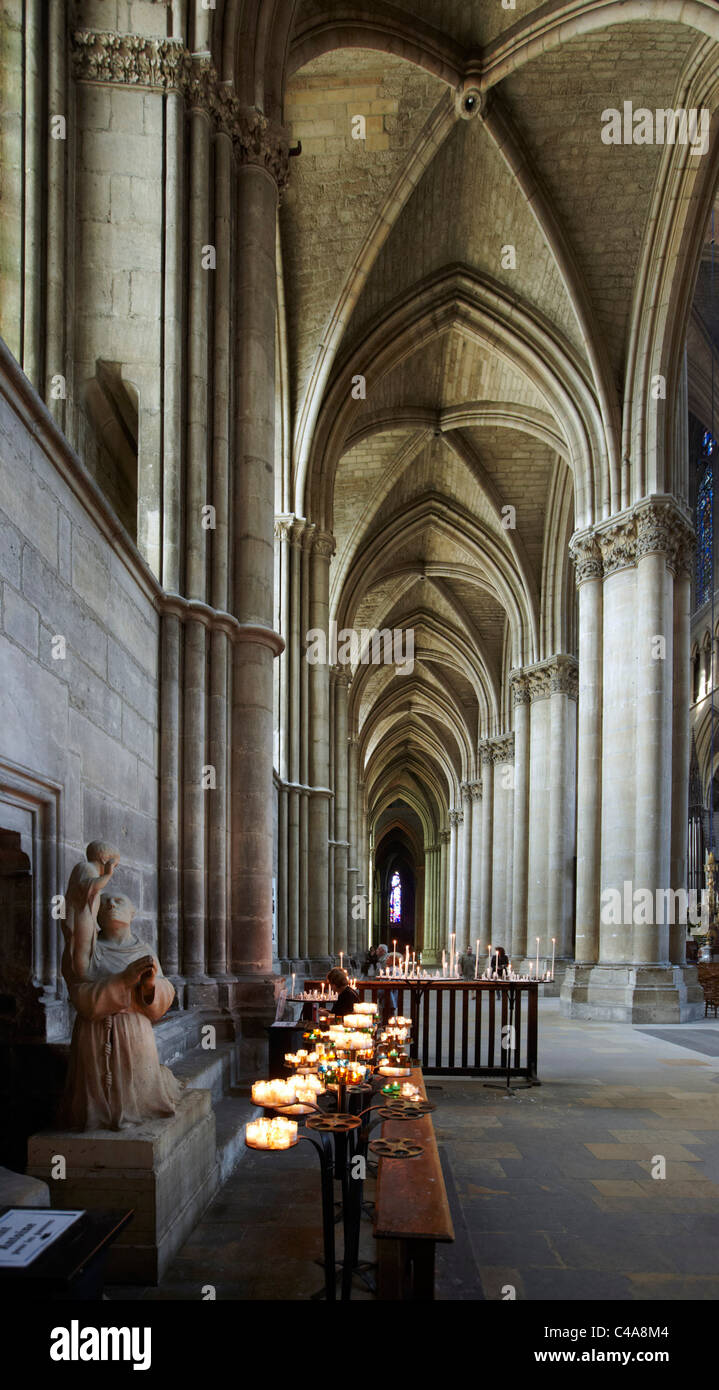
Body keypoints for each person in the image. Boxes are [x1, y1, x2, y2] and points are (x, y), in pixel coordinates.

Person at [61, 888, 180, 1130]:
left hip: (134, 1032)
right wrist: (123, 980)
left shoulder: (144, 950)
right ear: (95, 914)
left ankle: (140, 1108)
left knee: (139, 1092)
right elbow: (80, 996)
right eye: (105, 903)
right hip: (94, 1035)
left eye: (119, 901)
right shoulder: (86, 951)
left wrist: (150, 987)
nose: (111, 905)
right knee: (94, 1105)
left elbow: (164, 994)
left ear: (133, 913)